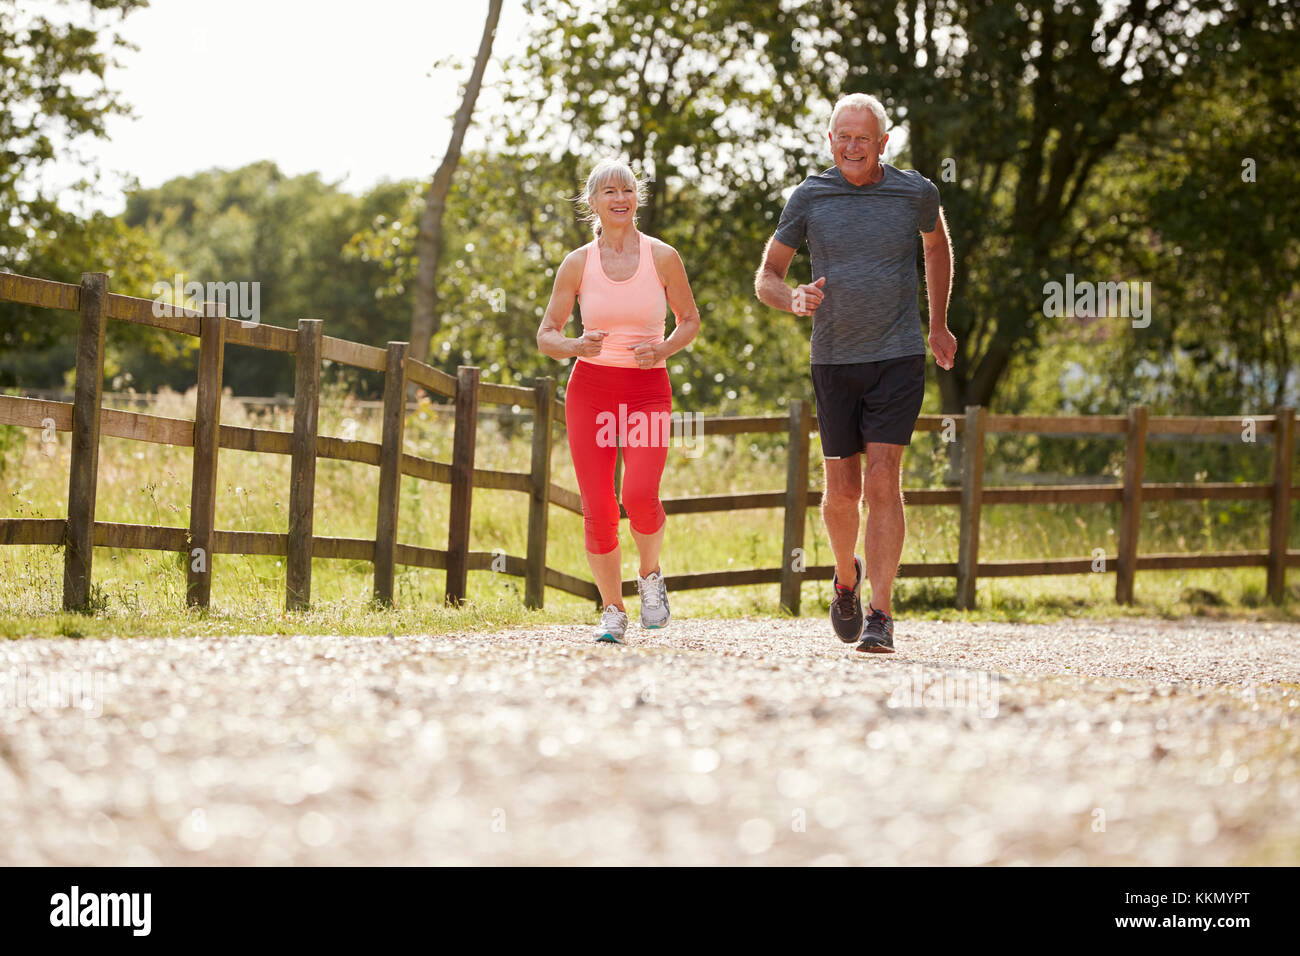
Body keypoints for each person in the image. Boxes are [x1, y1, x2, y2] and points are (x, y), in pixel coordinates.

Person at [755, 93, 958, 653]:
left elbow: (936, 246)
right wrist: (792, 297)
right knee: (842, 490)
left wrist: (937, 323)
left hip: (897, 355)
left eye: (862, 138)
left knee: (882, 479)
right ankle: (846, 578)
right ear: (829, 141)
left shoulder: (915, 191)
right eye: (842, 136)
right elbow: (768, 274)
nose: (851, 146)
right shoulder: (810, 196)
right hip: (833, 359)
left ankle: (881, 612)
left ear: (882, 144)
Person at [537, 158, 701, 644]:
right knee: (599, 506)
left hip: (647, 392)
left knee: (640, 496)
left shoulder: (663, 257)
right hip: (590, 391)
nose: (618, 197)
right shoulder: (577, 263)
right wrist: (574, 346)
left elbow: (689, 319)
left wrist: (665, 348)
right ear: (592, 203)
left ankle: (650, 577)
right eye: (608, 191)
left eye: (626, 189)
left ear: (636, 199)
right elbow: (547, 334)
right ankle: (612, 609)